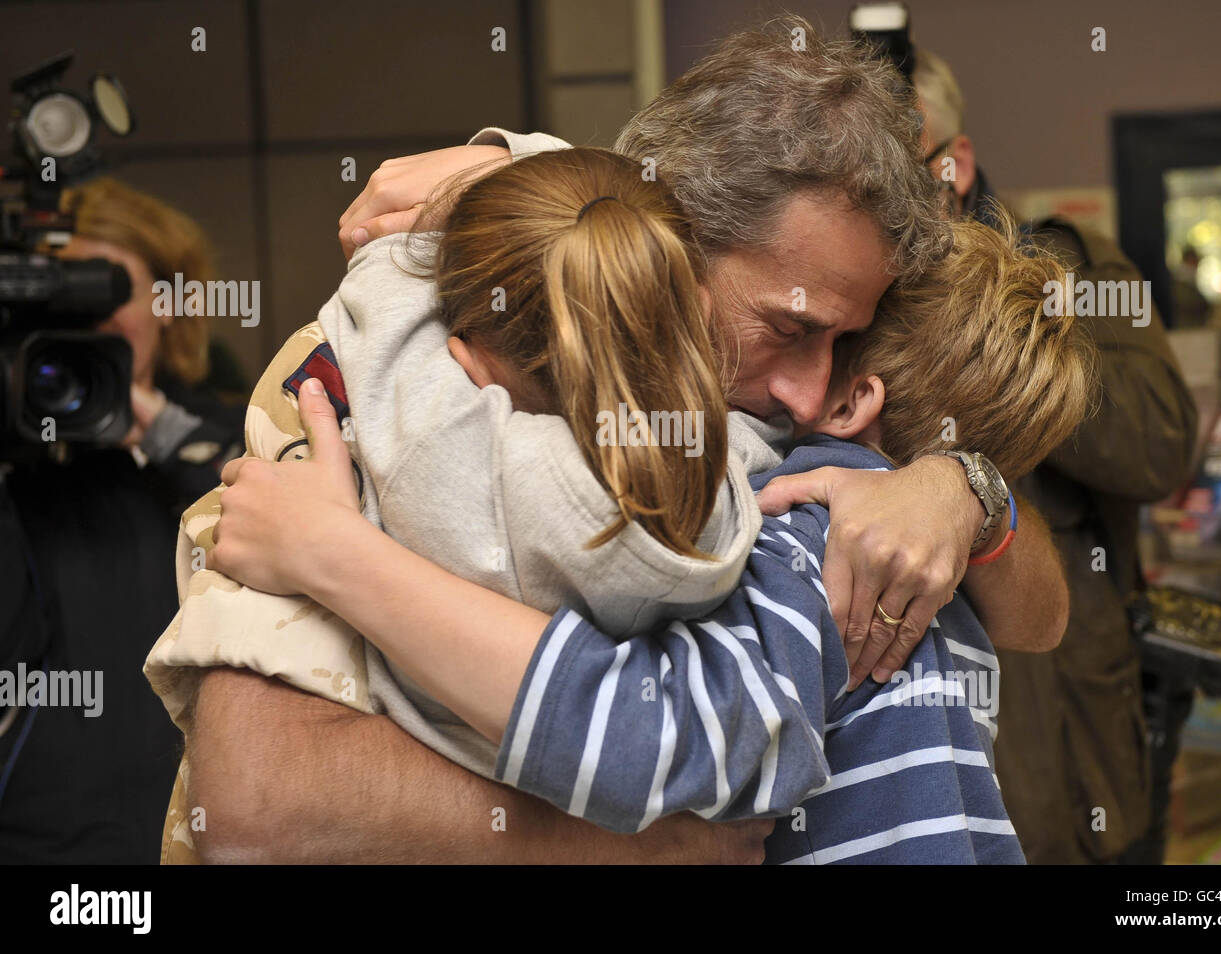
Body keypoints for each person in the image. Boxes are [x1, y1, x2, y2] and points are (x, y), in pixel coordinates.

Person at [179, 18, 1070, 864]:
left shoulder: (772, 440)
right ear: (667, 243)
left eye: (843, 344)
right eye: (788, 330)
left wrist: (961, 488)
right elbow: (257, 805)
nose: (811, 396)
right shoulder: (345, 389)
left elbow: (1042, 617)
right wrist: (649, 844)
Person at [909, 47, 1199, 863]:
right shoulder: (851, 293)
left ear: (953, 164)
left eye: (895, 160)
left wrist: (1011, 344)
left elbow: (1163, 443)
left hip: (1070, 763)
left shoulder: (1068, 268)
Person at [0, 178, 244, 863]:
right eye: (62, 300)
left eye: (108, 292)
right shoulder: (22, 473)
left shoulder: (232, 437)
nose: (90, 321)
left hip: (206, 837)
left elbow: (278, 544)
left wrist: (153, 429)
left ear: (168, 304)